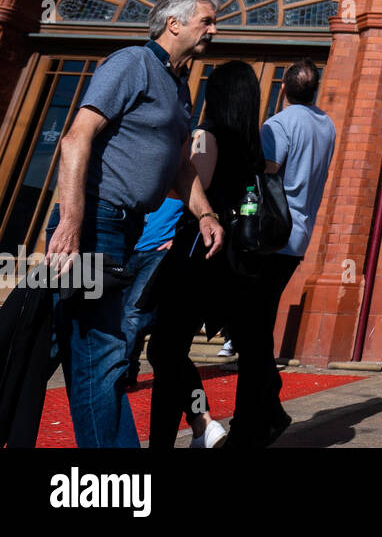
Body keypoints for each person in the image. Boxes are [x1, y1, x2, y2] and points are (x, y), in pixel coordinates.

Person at [47, 0, 223, 447]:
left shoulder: (179, 86)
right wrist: (71, 223)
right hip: (94, 222)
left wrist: (205, 213)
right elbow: (75, 139)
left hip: (125, 228)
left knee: (49, 345)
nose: (214, 29)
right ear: (174, 23)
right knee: (101, 352)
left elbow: (181, 167)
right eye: (206, 20)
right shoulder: (132, 63)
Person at [147, 60, 267, 448]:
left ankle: (184, 430)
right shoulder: (252, 148)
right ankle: (201, 423)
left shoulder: (207, 135)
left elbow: (189, 188)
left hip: (197, 253)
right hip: (228, 262)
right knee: (170, 352)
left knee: (165, 352)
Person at [220, 58, 335, 447]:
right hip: (297, 237)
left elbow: (266, 174)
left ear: (283, 88)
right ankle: (266, 408)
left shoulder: (280, 124)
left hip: (267, 236)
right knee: (256, 327)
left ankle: (252, 421)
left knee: (250, 330)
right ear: (314, 89)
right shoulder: (327, 125)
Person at [121, 197, 183, 386]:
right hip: (129, 248)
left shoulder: (187, 178)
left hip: (159, 251)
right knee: (119, 312)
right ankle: (129, 371)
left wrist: (178, 239)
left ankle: (121, 373)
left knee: (134, 311)